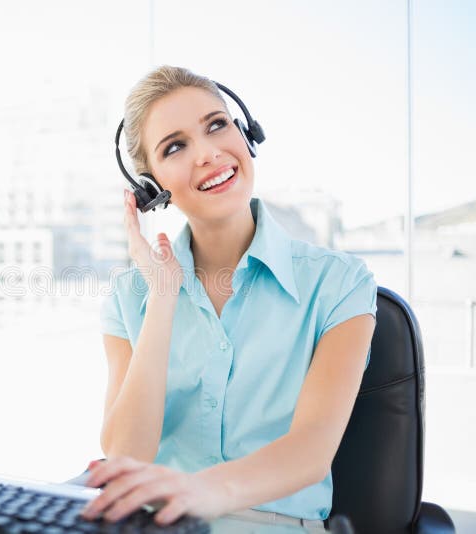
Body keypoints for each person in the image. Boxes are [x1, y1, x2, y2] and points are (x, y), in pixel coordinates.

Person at [80, 66, 377, 531]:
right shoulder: (128, 298)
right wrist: (162, 298)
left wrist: (202, 490)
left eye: (217, 125)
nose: (208, 153)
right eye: (175, 147)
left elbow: (311, 451)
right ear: (152, 188)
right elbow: (124, 454)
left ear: (245, 134)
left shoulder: (339, 284)